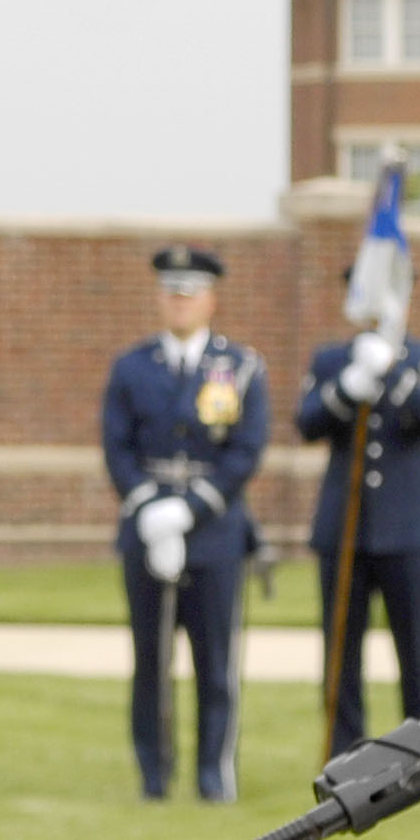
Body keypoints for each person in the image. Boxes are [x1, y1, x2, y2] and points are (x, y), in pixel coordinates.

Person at [96, 243, 265, 803]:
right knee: (150, 662)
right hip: (146, 530)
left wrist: (188, 510)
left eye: (191, 294)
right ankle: (153, 773)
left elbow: (244, 453)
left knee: (215, 663)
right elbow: (116, 447)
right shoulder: (132, 366)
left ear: (211, 299)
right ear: (160, 298)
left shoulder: (239, 367)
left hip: (214, 535)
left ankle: (214, 774)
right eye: (172, 293)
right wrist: (149, 508)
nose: (181, 303)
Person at [296, 312, 420, 755]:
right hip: (345, 529)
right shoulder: (332, 360)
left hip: (411, 529)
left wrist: (394, 372)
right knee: (340, 654)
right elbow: (307, 422)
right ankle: (344, 754)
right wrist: (346, 388)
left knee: (418, 654)